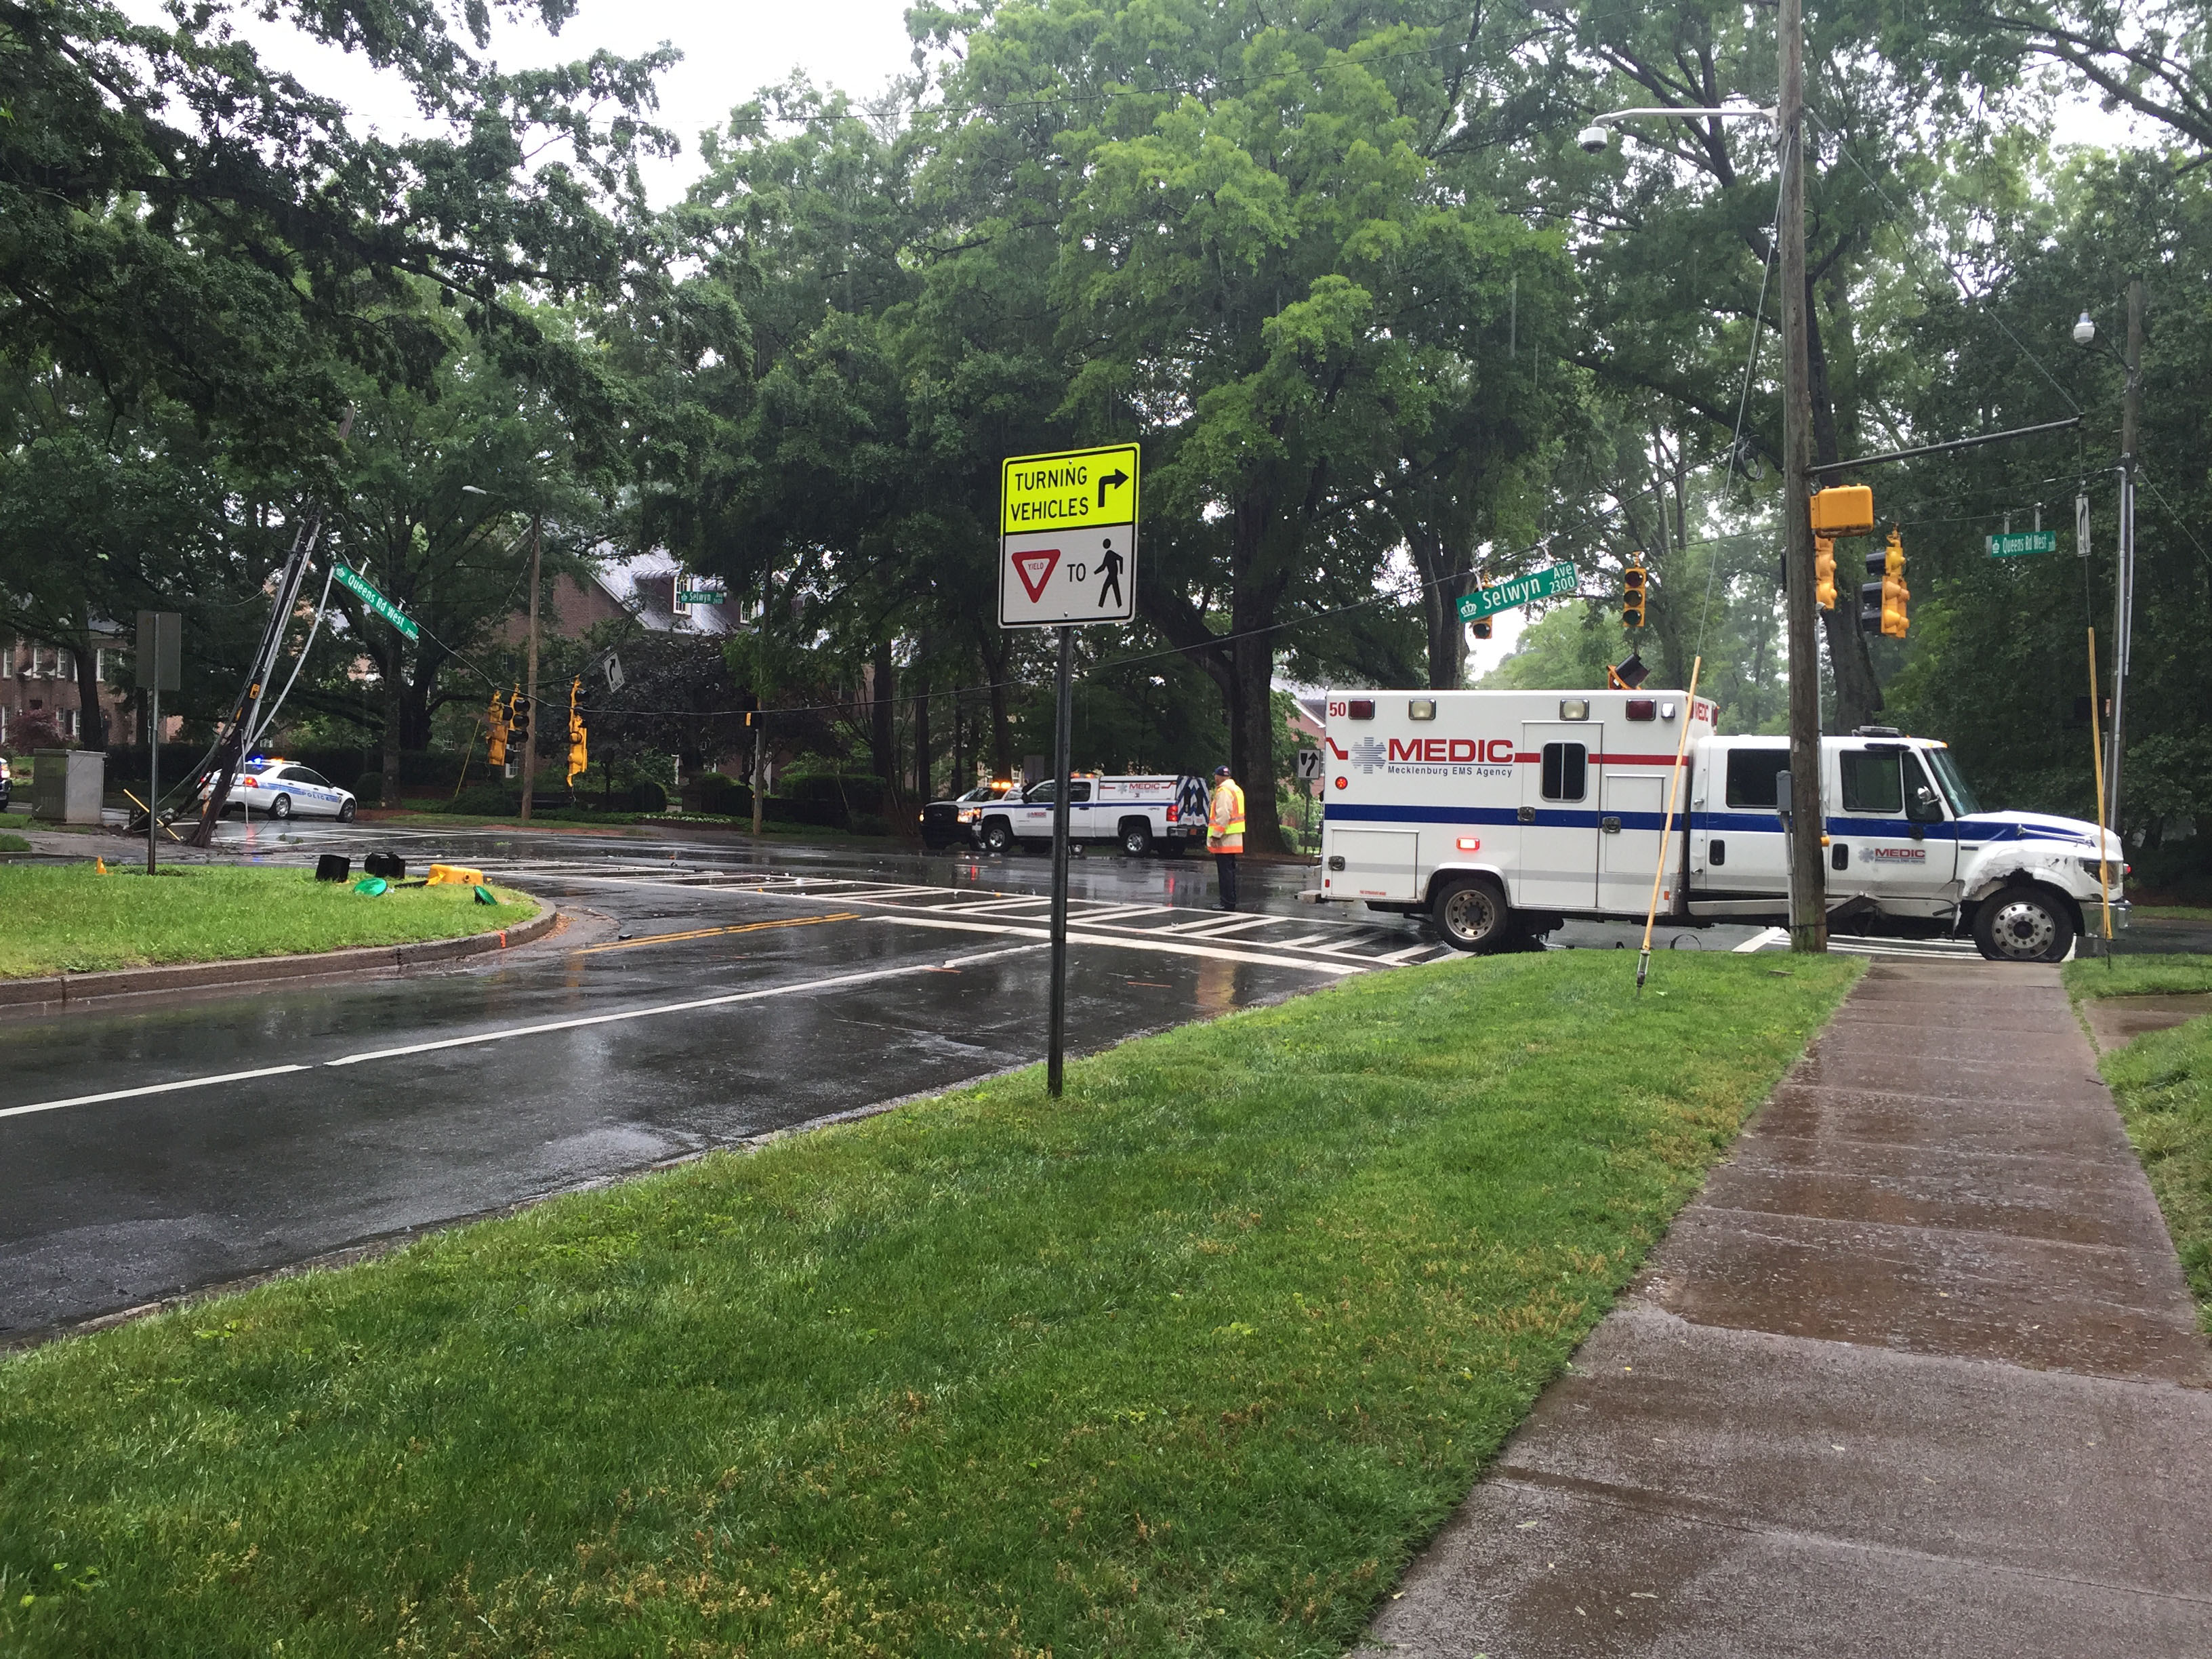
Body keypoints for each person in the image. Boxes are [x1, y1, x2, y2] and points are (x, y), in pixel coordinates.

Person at [1207, 763, 1245, 911]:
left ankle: (1226, 903)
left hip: (1224, 839)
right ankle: (1230, 901)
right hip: (1234, 838)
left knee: (1225, 873)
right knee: (1229, 871)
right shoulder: (1237, 790)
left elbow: (1223, 815)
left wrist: (1216, 836)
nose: (1215, 779)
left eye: (1216, 776)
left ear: (1218, 777)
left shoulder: (1223, 791)